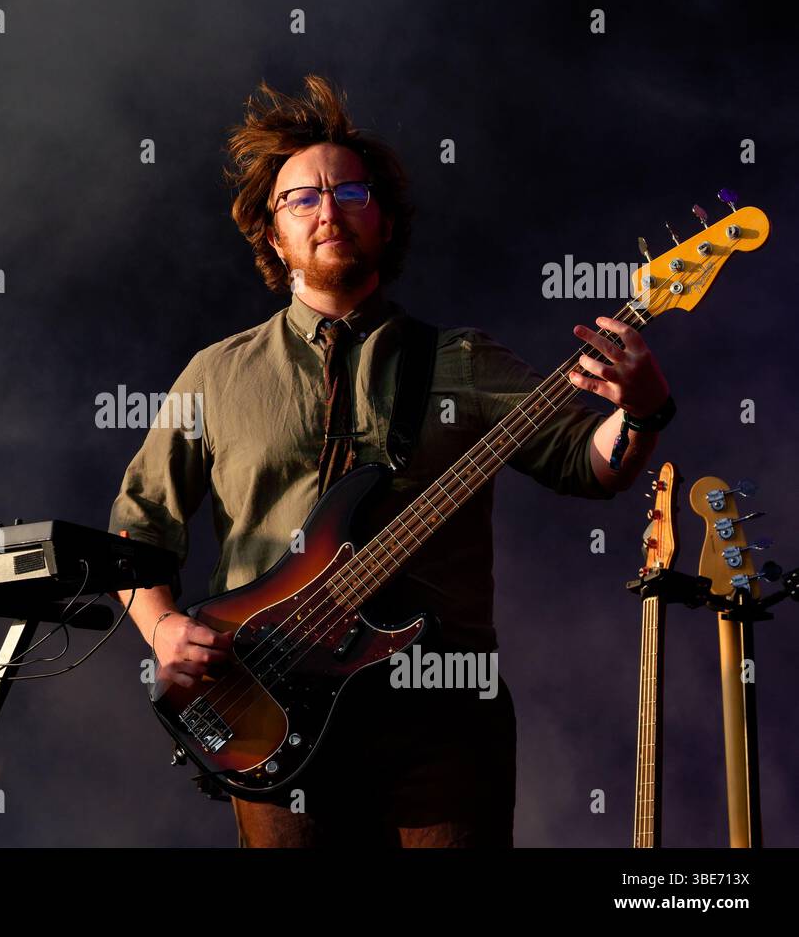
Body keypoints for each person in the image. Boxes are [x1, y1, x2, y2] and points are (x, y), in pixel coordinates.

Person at [108, 75, 672, 847]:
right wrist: (165, 629)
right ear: (273, 236)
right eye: (300, 199)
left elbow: (588, 464)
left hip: (436, 716)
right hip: (265, 705)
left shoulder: (460, 359)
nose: (327, 210)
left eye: (349, 192)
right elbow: (137, 531)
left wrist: (639, 408)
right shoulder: (216, 373)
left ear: (386, 220)